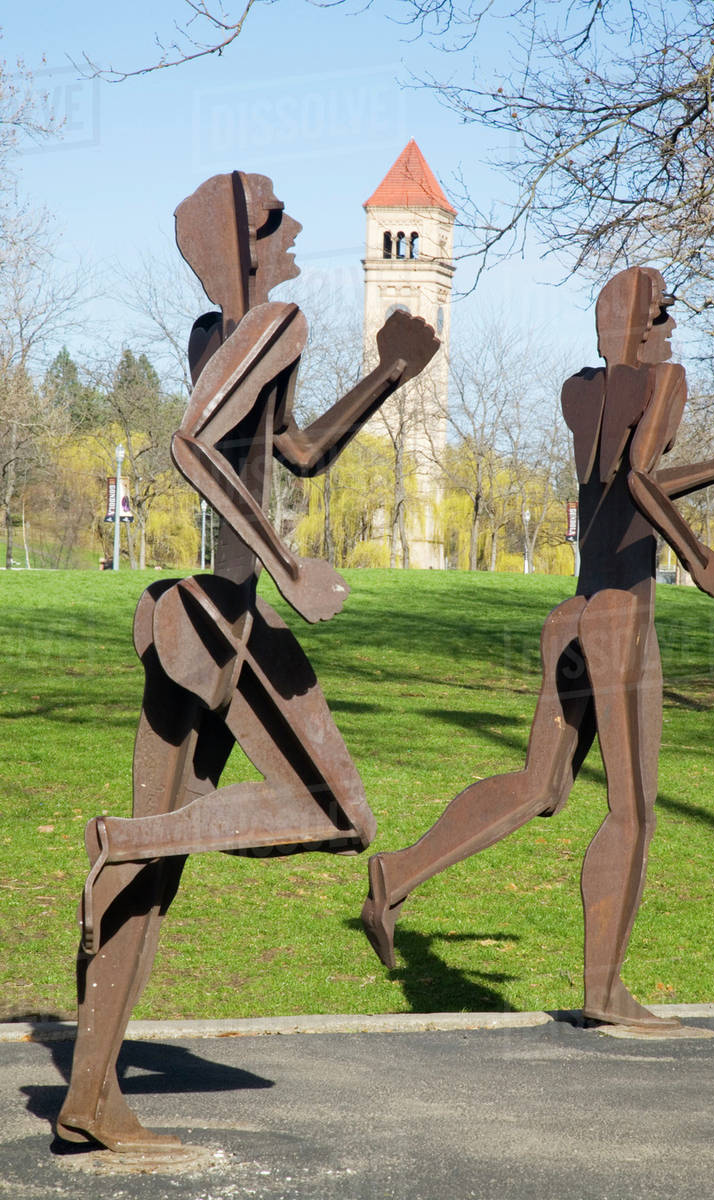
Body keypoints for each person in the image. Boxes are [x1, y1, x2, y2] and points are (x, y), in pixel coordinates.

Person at [56, 171, 439, 1152]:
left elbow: (293, 452)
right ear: (244, 240)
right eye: (277, 217)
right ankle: (124, 841)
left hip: (177, 615)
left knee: (157, 886)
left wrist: (386, 377)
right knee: (342, 812)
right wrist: (287, 568)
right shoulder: (277, 319)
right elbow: (191, 447)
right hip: (223, 620)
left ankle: (89, 1097)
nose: (298, 225)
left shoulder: (217, 334)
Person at [361, 266, 714, 1029]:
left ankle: (394, 876)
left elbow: (617, 480)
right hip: (620, 619)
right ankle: (603, 992)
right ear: (638, 321)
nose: (669, 332)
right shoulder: (665, 381)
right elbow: (642, 482)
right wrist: (705, 544)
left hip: (573, 612)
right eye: (661, 316)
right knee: (633, 811)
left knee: (539, 787)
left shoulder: (580, 391)